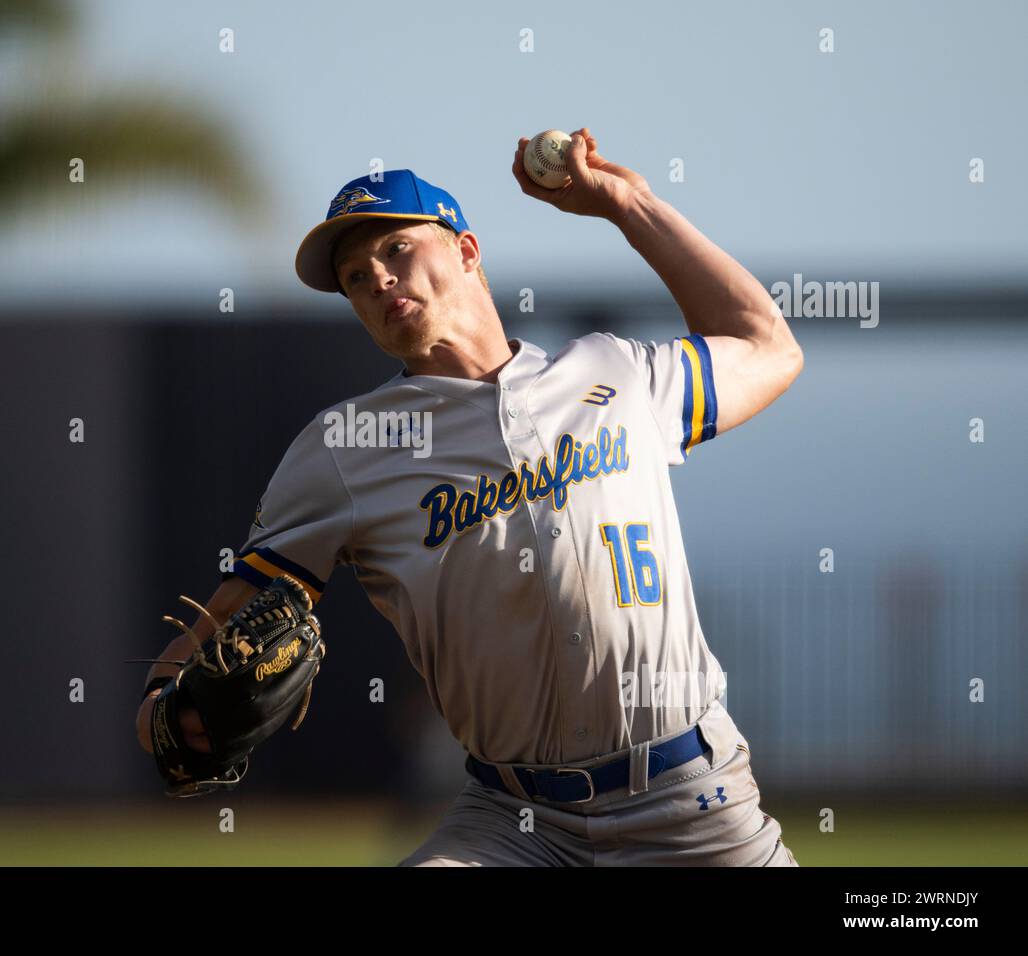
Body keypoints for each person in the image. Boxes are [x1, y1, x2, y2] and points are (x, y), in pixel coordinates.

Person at [136, 128, 803, 865]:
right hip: (515, 823)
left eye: (396, 250)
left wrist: (627, 203)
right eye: (355, 276)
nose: (378, 279)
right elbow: (221, 621)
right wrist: (162, 707)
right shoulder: (345, 448)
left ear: (467, 251)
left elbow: (769, 346)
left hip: (691, 802)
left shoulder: (614, 374)